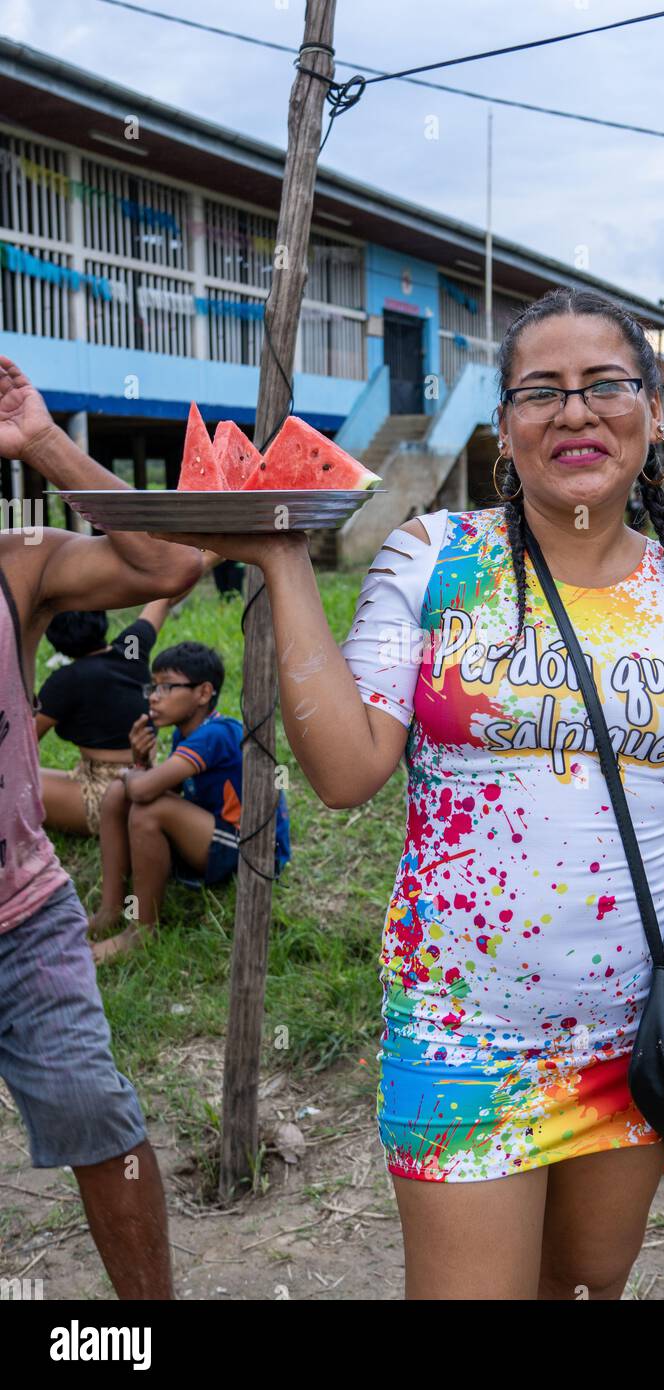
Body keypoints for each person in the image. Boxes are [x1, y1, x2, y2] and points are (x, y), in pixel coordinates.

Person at [154, 288, 664, 1302]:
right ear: (505, 426)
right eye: (540, 391)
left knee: (583, 1286)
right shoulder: (432, 559)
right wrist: (284, 561)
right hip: (461, 1032)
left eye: (605, 385)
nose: (573, 412)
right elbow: (346, 769)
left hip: (641, 1030)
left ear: (651, 412)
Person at [0, 352, 203, 1299]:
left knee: (97, 1114)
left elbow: (170, 562)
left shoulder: (17, 564)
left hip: (23, 912)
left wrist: (43, 440)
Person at [88, 640, 291, 963]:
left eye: (167, 687)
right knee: (117, 795)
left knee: (146, 807)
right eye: (153, 686)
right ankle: (111, 909)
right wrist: (139, 765)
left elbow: (144, 792)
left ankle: (141, 931)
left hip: (253, 850)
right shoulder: (188, 733)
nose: (154, 696)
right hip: (211, 832)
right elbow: (163, 788)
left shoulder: (217, 733)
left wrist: (130, 773)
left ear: (203, 692)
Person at [35, 557, 221, 837]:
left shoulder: (65, 681)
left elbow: (20, 744)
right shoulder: (131, 649)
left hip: (101, 795)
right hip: (149, 775)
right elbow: (164, 599)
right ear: (101, 617)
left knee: (13, 781)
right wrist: (210, 557)